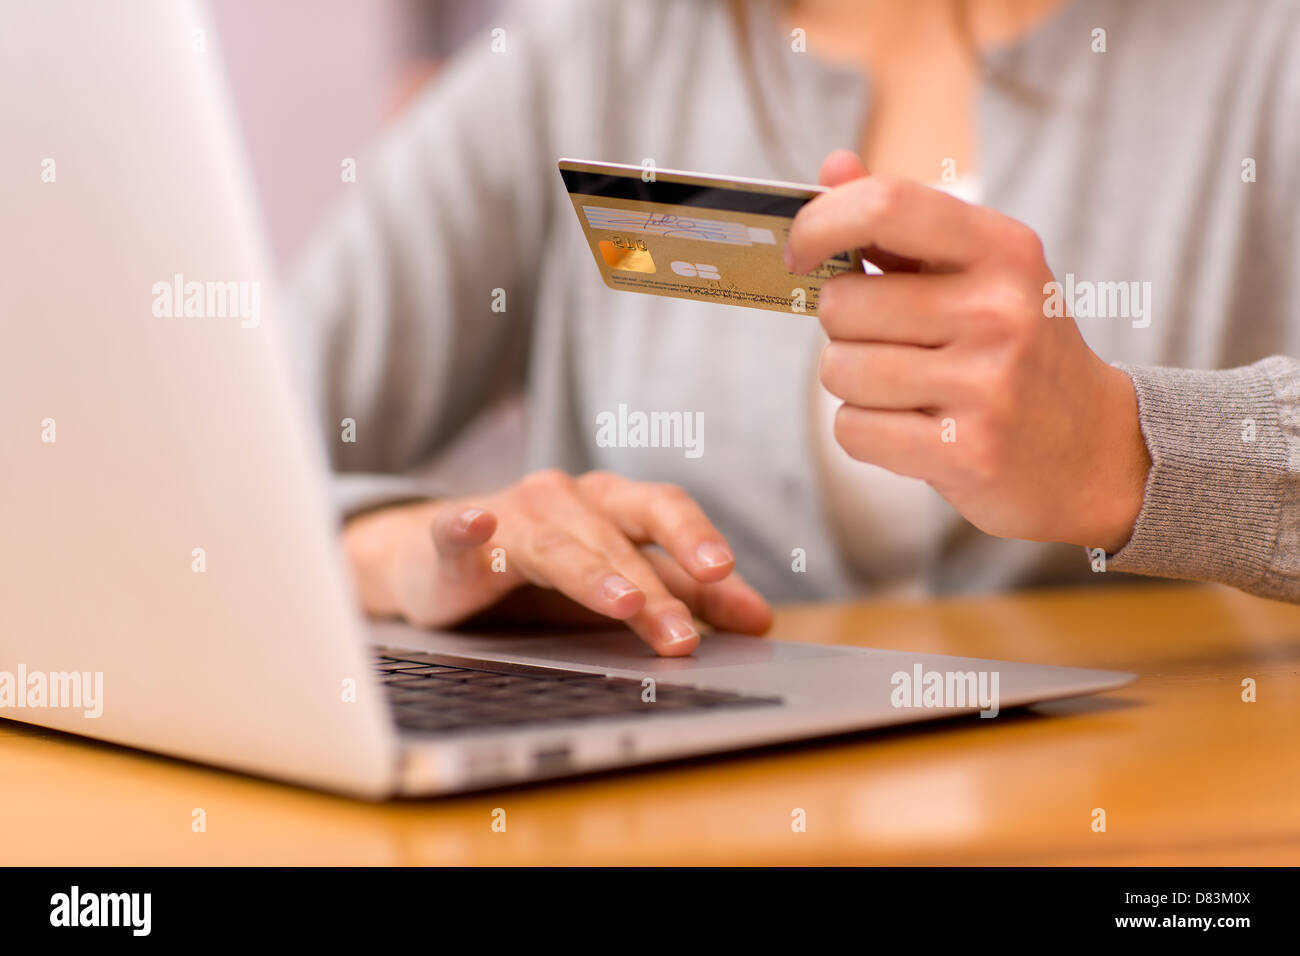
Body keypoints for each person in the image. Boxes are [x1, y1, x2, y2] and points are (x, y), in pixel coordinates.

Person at [282, 0, 1300, 656]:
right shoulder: (587, 51)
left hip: (1166, 823)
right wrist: (385, 551)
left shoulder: (1264, 48)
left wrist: (1130, 449)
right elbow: (204, 457)